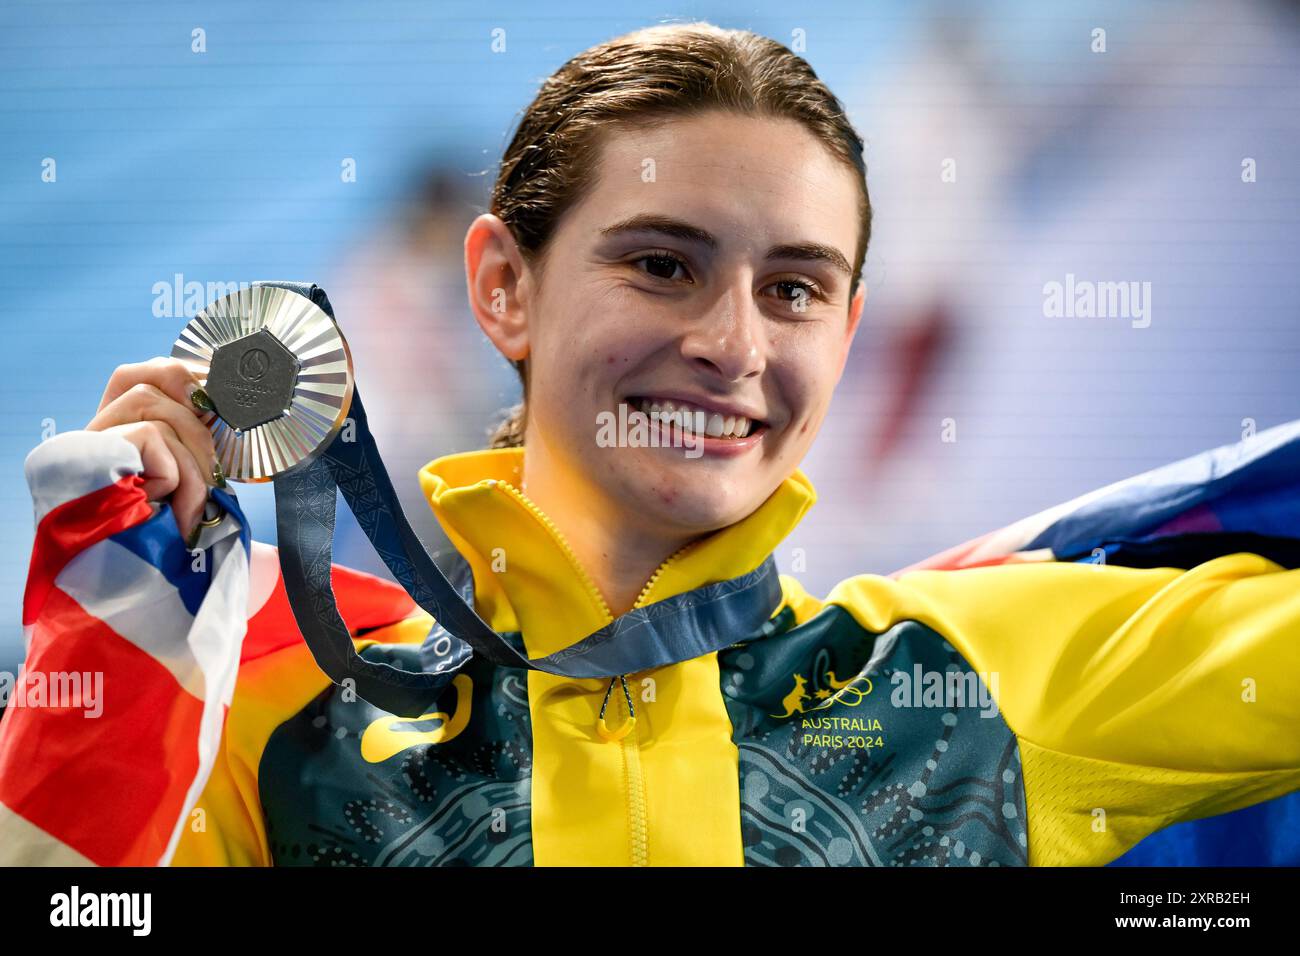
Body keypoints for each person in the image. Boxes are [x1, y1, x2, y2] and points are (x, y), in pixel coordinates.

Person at [2, 21, 1298, 868]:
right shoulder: (281, 721)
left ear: (848, 329)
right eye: (663, 265)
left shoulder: (996, 672)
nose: (733, 342)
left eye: (793, 290)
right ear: (502, 286)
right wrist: (108, 647)